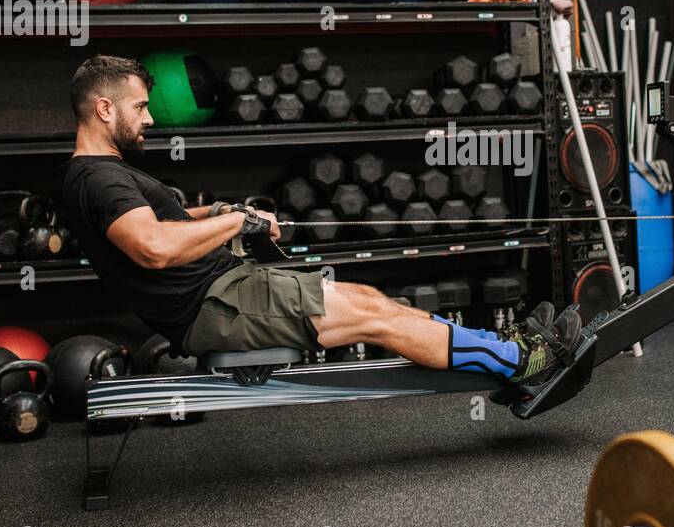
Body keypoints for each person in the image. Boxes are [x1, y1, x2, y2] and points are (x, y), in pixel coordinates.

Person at [60, 54, 579, 385]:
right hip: (216, 308)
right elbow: (154, 248)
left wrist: (213, 211)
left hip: (228, 290)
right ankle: (521, 363)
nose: (149, 119)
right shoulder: (100, 179)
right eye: (141, 108)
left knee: (374, 301)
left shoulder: (105, 174)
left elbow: (163, 221)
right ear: (105, 110)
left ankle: (504, 347)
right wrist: (238, 220)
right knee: (377, 319)